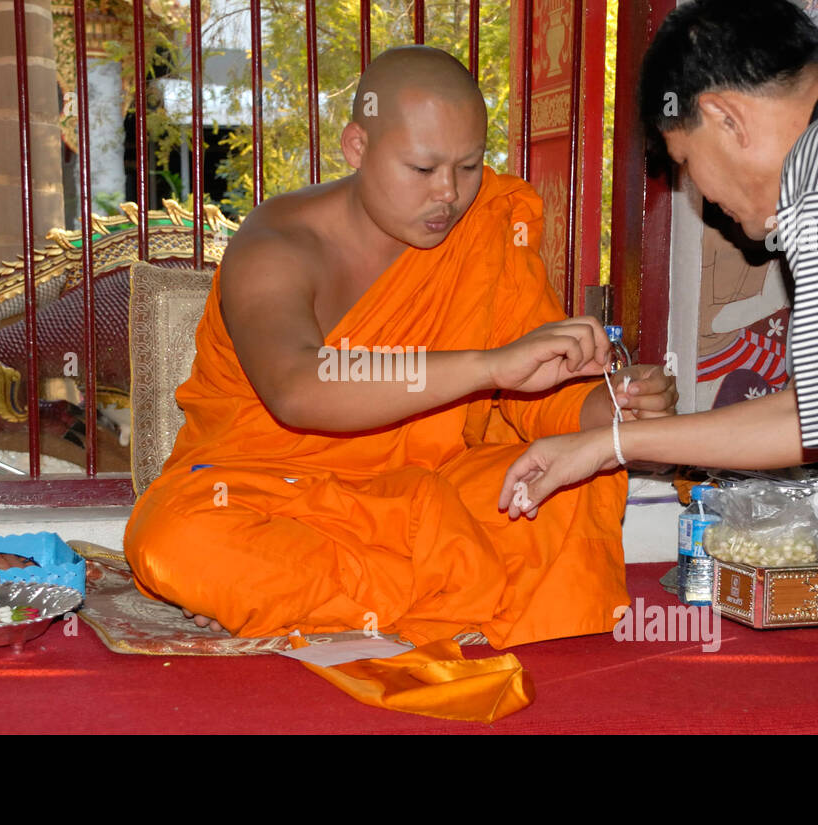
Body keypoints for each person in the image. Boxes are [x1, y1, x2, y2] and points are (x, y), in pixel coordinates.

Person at [501, 0, 818, 733]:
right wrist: (606, 443)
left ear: (726, 119)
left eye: (686, 165)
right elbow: (815, 414)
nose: (704, 201)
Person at [123, 46, 677, 649]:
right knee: (174, 540)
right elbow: (297, 389)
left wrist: (611, 407)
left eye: (468, 168)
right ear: (357, 147)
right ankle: (429, 594)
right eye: (423, 169)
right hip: (265, 494)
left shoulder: (485, 228)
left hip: (423, 496)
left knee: (567, 486)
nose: (449, 195)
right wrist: (488, 366)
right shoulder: (276, 242)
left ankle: (301, 599)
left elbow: (530, 399)